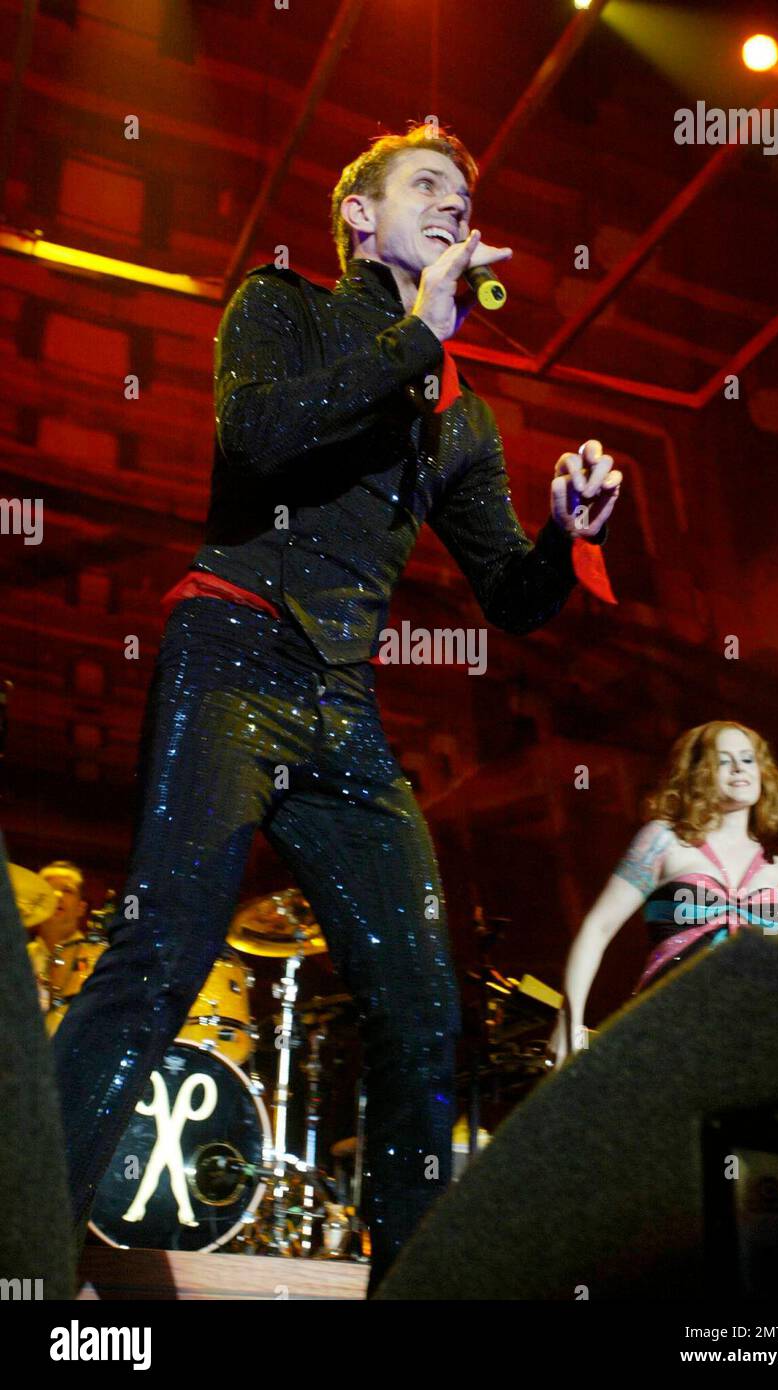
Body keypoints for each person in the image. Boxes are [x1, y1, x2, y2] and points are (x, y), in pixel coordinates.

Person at [50, 122, 622, 1292]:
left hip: (342, 704)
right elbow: (258, 437)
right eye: (428, 186)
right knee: (162, 948)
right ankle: (23, 1224)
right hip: (233, 652)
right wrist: (416, 333)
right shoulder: (281, 303)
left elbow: (511, 597)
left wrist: (567, 535)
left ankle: (409, 1277)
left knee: (421, 999)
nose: (455, 203)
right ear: (360, 216)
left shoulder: (460, 416)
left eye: (466, 193)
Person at [552, 721, 778, 1064]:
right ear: (698, 774)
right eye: (724, 760)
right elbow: (598, 928)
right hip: (671, 1031)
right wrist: (569, 1021)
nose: (739, 767)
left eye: (747, 759)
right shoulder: (666, 841)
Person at [26, 860, 89, 1014]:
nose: (57, 895)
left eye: (67, 890)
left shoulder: (98, 959)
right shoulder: (17, 957)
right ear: (36, 903)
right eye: (48, 889)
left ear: (81, 908)